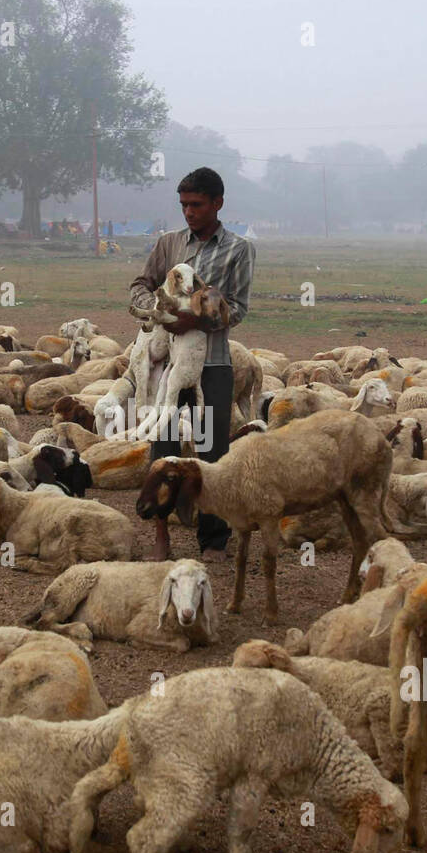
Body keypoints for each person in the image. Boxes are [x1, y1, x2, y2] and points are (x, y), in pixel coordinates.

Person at [127, 166, 255, 562]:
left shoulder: (238, 249)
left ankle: (213, 540)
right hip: (167, 367)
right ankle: (161, 537)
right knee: (162, 450)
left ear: (217, 203)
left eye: (197, 204)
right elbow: (140, 284)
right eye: (184, 205)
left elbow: (238, 308)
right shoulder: (168, 244)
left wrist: (198, 319)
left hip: (212, 364)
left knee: (211, 450)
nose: (189, 212)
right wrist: (160, 315)